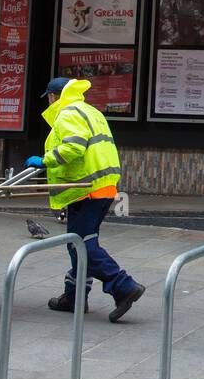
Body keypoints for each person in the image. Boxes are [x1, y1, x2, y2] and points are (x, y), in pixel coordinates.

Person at [26, 77, 144, 322]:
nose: (48, 102)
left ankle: (123, 286)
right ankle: (74, 296)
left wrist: (44, 160)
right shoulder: (89, 110)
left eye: (48, 97)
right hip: (101, 185)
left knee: (82, 244)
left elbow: (74, 147)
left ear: (53, 96)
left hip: (86, 188)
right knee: (79, 242)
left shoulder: (68, 113)